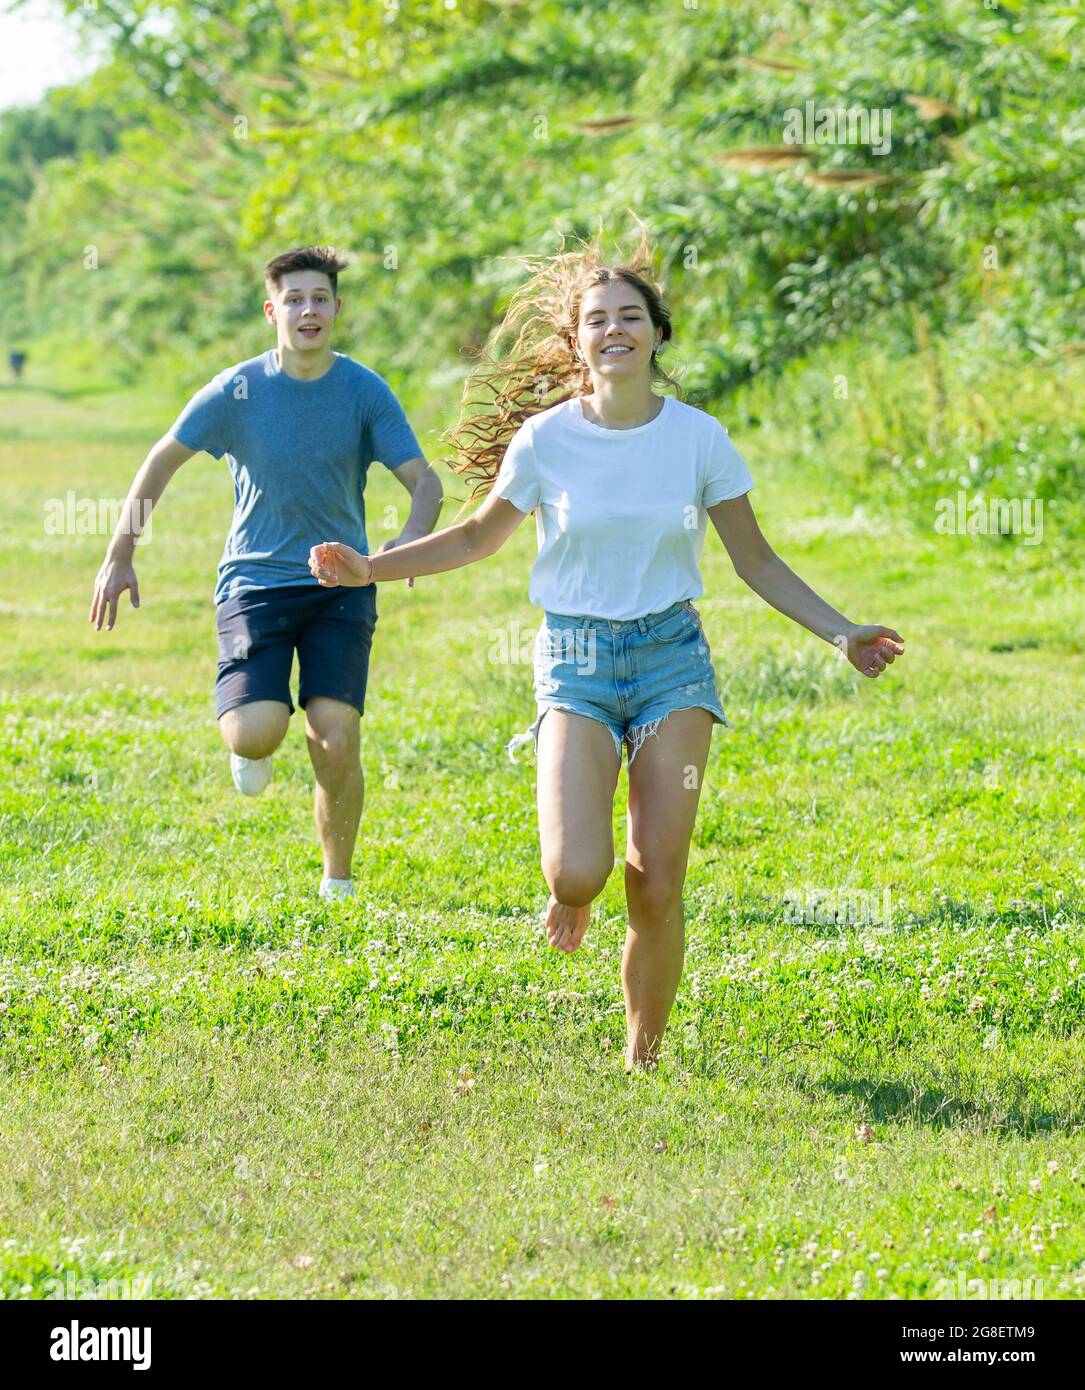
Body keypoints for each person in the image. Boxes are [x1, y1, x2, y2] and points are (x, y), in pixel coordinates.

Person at [308, 232, 905, 1068]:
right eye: (597, 320)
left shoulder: (698, 439)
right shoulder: (548, 439)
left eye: (631, 316)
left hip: (672, 663)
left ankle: (643, 1056)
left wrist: (842, 632)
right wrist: (372, 567)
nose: (614, 330)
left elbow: (756, 560)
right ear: (576, 341)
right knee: (576, 871)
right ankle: (574, 895)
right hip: (575, 663)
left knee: (658, 879)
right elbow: (477, 538)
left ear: (657, 335)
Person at [90, 245, 443, 900]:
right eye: (294, 299)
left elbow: (424, 481)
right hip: (254, 585)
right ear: (271, 309)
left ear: (336, 308)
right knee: (258, 735)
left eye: (319, 299)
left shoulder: (364, 390)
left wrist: (410, 539)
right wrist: (120, 553)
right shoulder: (237, 390)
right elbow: (162, 460)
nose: (308, 310)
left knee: (335, 734)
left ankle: (337, 881)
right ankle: (251, 729)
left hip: (340, 583)